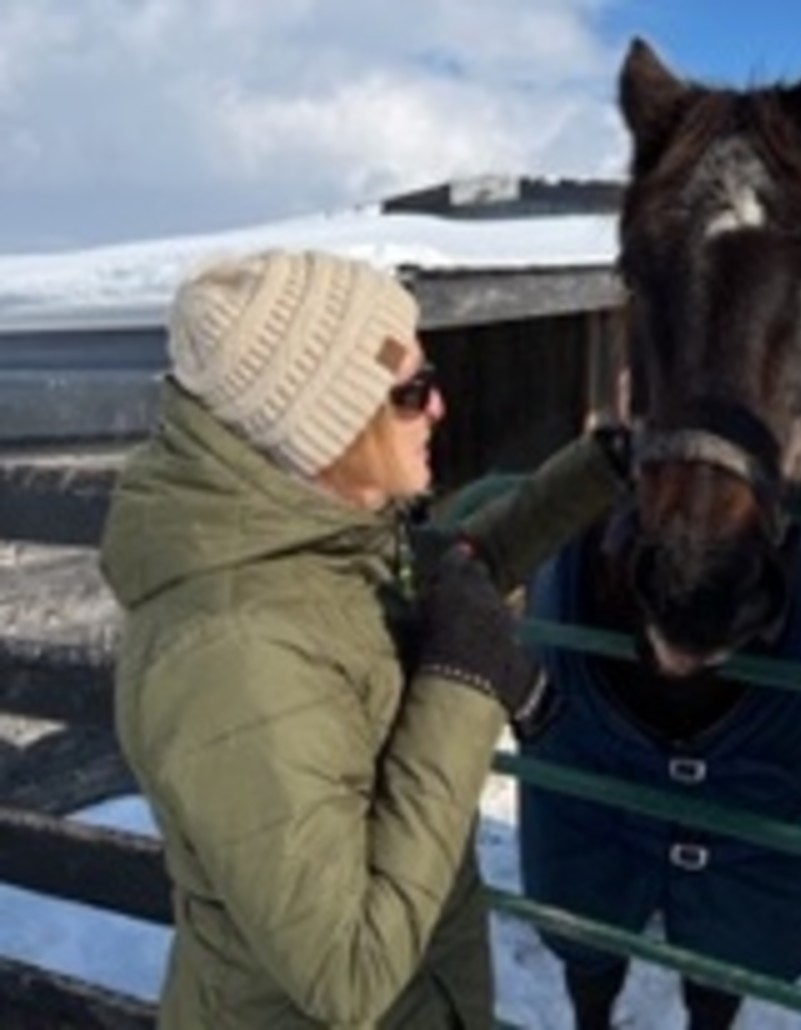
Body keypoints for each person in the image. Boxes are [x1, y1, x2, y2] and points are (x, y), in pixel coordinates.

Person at [99, 248, 629, 1029]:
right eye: (410, 392)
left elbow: (451, 578)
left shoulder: (315, 544)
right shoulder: (226, 657)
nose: (441, 406)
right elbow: (351, 975)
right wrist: (463, 682)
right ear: (325, 425)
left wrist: (608, 460)